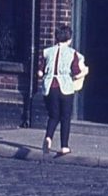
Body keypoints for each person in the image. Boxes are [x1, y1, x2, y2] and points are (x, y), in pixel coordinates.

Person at [37, 23, 88, 157]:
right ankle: (64, 146)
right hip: (65, 87)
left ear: (56, 38)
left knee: (53, 116)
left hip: (50, 87)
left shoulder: (47, 52)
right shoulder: (73, 54)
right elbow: (76, 73)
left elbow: (40, 73)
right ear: (69, 39)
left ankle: (48, 137)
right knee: (65, 117)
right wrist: (85, 72)